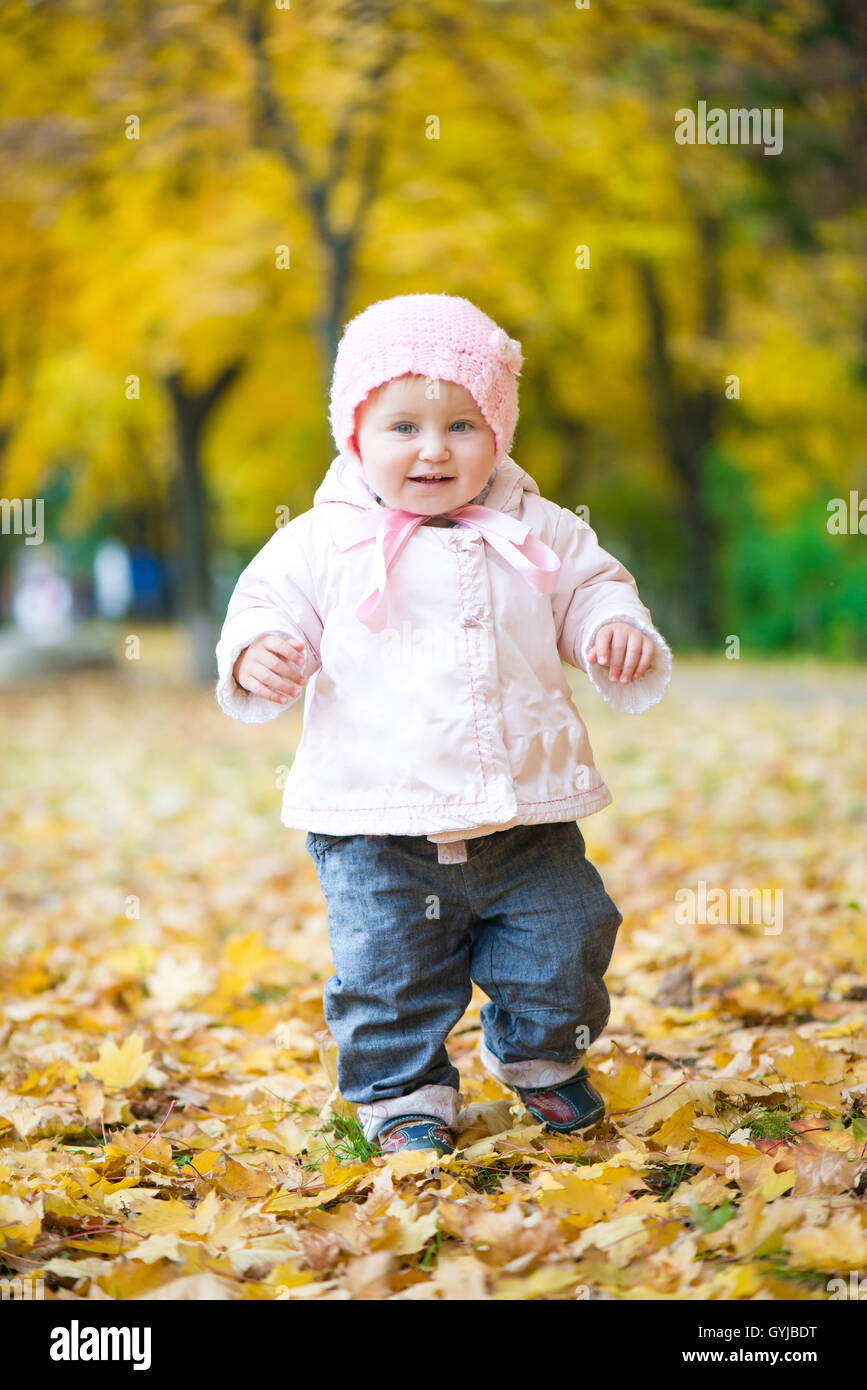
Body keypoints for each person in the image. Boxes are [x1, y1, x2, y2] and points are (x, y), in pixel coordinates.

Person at [215, 293, 672, 1156]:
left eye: (462, 423)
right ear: (355, 434)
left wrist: (612, 628)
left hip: (525, 817)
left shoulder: (538, 528)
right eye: (402, 427)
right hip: (377, 825)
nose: (433, 448)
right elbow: (263, 608)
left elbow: (592, 589)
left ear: (498, 429)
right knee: (387, 976)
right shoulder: (320, 541)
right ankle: (402, 1095)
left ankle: (540, 1053)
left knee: (568, 939)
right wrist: (259, 652)